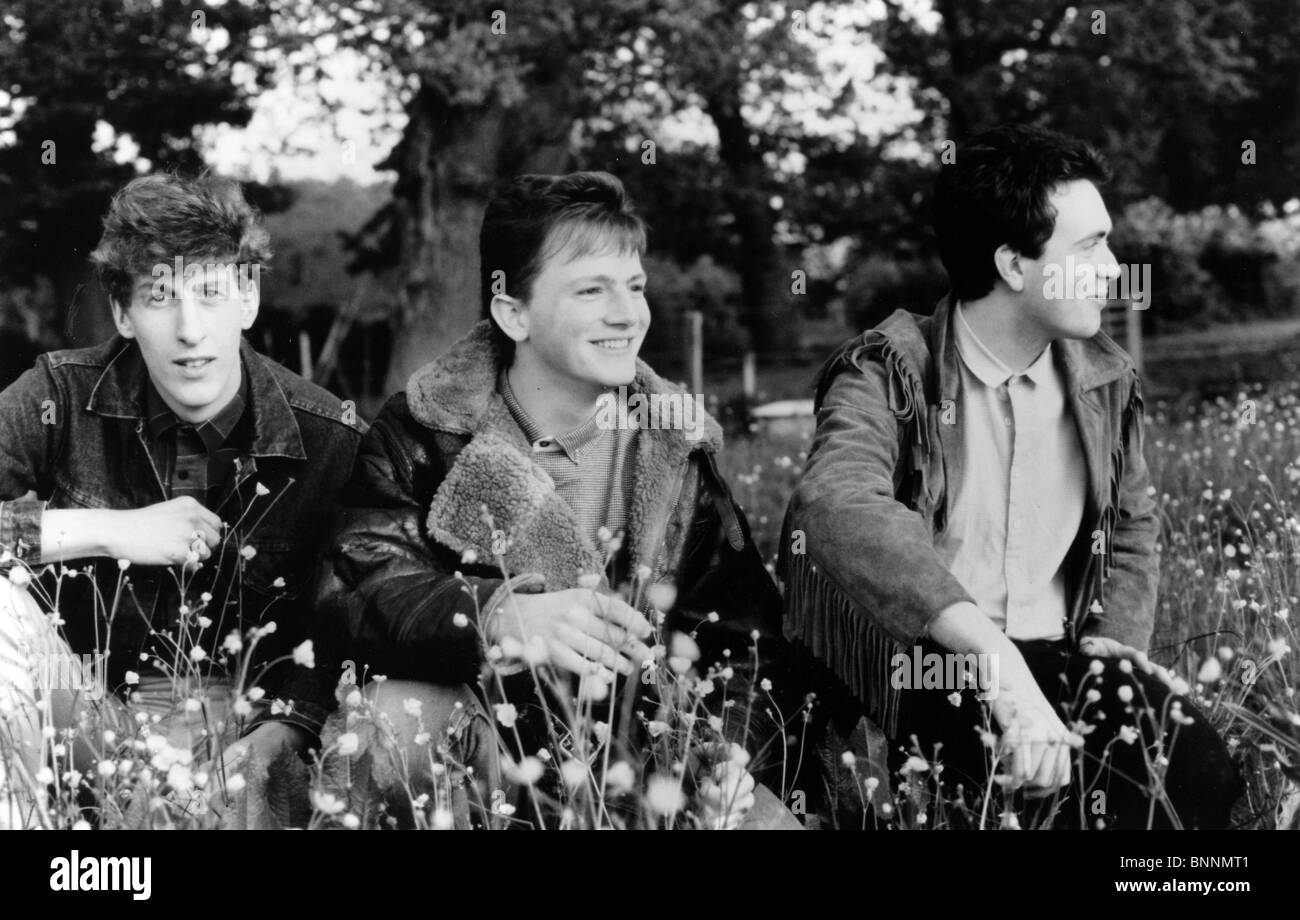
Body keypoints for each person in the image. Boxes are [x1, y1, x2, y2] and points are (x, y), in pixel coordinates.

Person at [780, 124, 1243, 829]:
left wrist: (1114, 647)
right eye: (1090, 246)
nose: (1115, 268)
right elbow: (836, 503)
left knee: (1196, 770)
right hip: (924, 668)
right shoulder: (889, 371)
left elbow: (1130, 523)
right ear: (1014, 264)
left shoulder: (1104, 380)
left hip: (1059, 657)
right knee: (1026, 790)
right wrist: (995, 663)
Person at [314, 171, 803, 829]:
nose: (628, 314)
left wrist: (731, 753)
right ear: (513, 312)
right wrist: (495, 616)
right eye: (591, 290)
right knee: (392, 725)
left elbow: (749, 643)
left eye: (634, 287)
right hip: (489, 753)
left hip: (646, 766)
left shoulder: (679, 448)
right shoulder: (426, 432)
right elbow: (354, 590)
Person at [0, 173, 363, 827]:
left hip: (256, 737)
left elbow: (345, 629)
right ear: (121, 311)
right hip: (88, 722)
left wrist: (274, 744)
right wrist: (107, 530)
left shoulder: (331, 437)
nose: (190, 328)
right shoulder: (56, 396)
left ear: (247, 299)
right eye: (161, 298)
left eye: (210, 293)